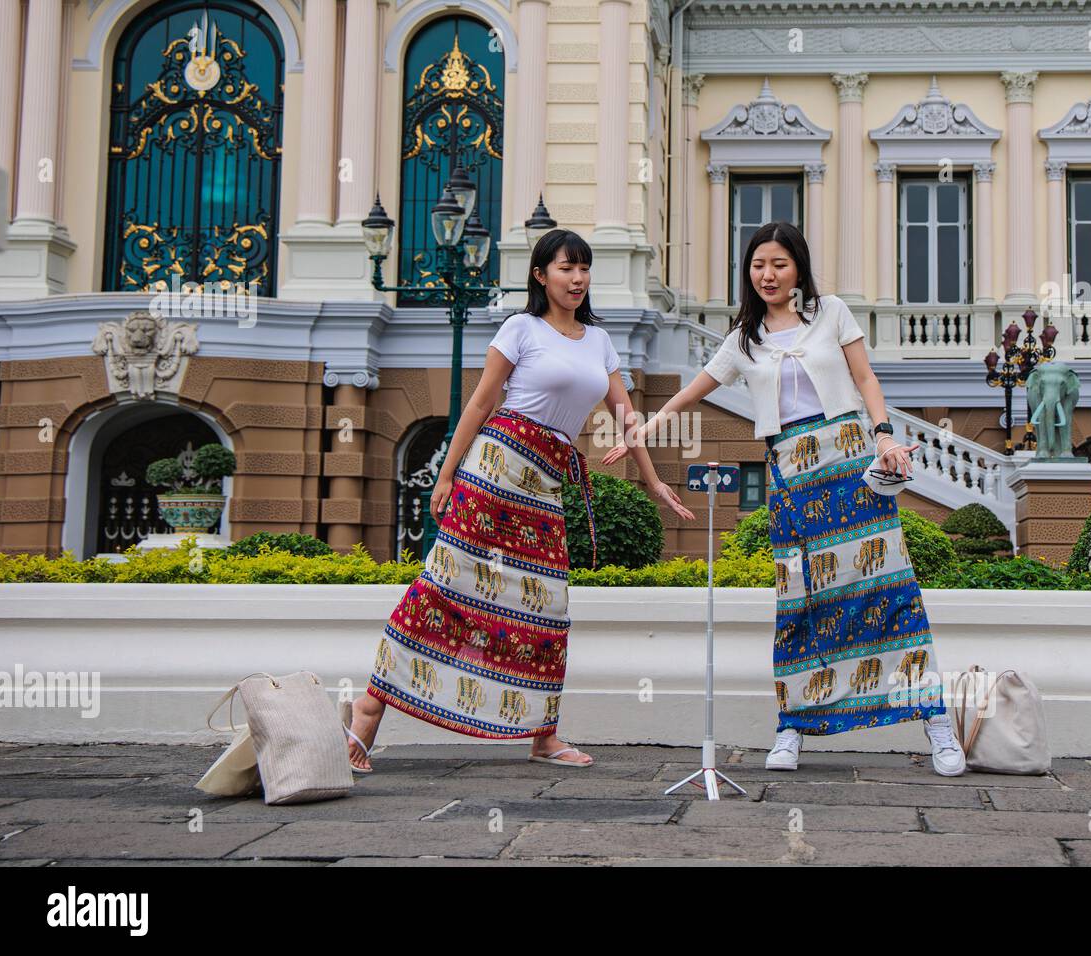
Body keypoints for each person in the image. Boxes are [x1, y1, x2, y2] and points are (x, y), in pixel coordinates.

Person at [602, 221, 966, 775]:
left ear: (798, 266)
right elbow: (696, 388)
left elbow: (865, 379)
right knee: (799, 597)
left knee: (886, 587)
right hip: (791, 475)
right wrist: (647, 428)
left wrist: (884, 434)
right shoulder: (744, 340)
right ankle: (793, 726)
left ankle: (935, 721)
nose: (767, 275)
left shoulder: (832, 313)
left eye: (778, 264)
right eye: (757, 265)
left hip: (849, 463)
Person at [344, 228, 695, 770]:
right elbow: (480, 404)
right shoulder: (520, 329)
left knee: (545, 609)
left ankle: (543, 735)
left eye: (583, 269)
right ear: (540, 275)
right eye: (565, 268)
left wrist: (652, 481)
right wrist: (446, 475)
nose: (577, 279)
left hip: (546, 483)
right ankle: (369, 708)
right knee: (446, 589)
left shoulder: (598, 340)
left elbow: (626, 416)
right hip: (495, 471)